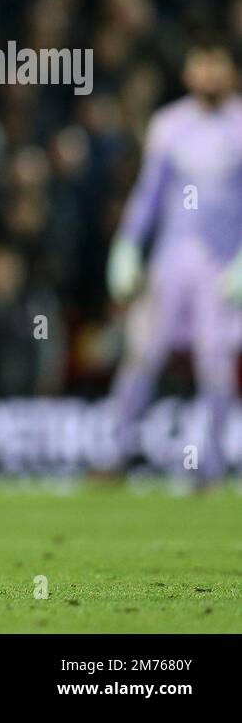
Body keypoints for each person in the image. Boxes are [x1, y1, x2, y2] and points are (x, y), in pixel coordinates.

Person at [107, 29, 242, 483]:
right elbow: (148, 195)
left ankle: (212, 465)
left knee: (215, 365)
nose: (207, 73)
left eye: (216, 63)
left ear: (231, 70)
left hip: (221, 267)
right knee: (142, 356)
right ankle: (113, 455)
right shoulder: (168, 125)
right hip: (170, 261)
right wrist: (127, 246)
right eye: (199, 63)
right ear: (188, 70)